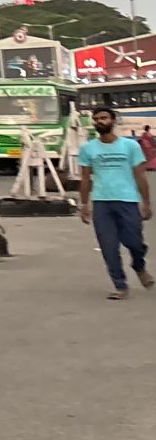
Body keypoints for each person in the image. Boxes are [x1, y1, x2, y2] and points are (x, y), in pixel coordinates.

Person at [78, 105, 153, 299]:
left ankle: (139, 266)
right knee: (108, 247)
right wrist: (84, 204)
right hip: (102, 203)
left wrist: (146, 202)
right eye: (96, 119)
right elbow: (85, 178)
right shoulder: (88, 148)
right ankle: (120, 285)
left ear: (113, 121)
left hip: (127, 200)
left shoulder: (130, 146)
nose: (100, 122)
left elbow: (140, 176)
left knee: (134, 243)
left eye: (104, 118)